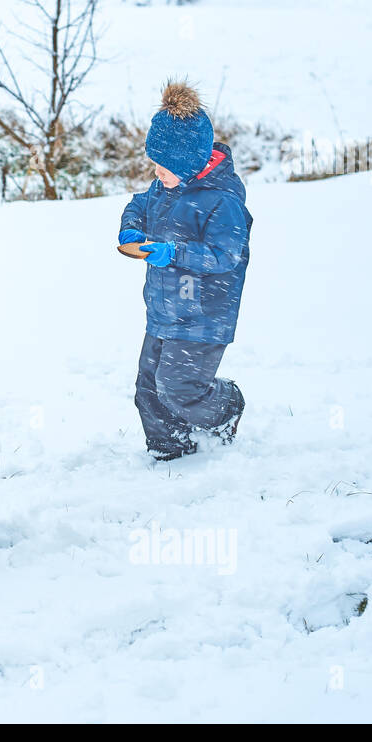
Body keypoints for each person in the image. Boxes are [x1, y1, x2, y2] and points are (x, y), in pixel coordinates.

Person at [119, 80, 252, 461]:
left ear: (190, 163)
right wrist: (131, 227)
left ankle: (226, 406)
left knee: (179, 388)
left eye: (165, 165)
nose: (156, 172)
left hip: (204, 316)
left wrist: (172, 253)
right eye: (155, 164)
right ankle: (169, 449)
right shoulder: (165, 186)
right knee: (148, 389)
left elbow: (225, 255)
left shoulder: (221, 202)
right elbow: (139, 204)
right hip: (163, 309)